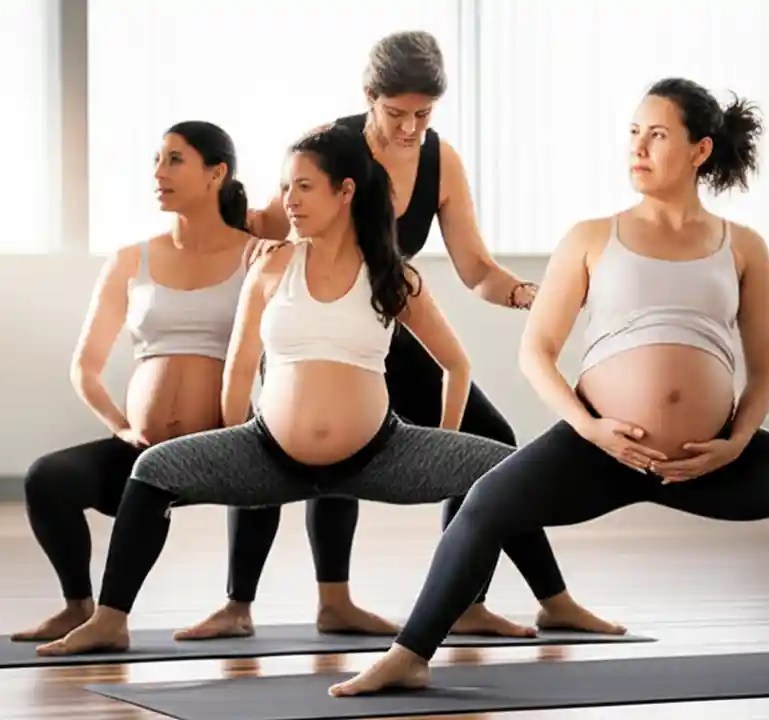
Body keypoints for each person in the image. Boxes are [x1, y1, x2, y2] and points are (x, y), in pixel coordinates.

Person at [329, 78, 769, 697]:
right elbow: (536, 353)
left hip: (708, 459)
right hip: (598, 451)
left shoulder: (744, 247)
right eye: (632, 133)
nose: (638, 148)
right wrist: (592, 428)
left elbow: (766, 367)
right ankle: (410, 653)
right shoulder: (592, 236)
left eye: (657, 135)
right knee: (484, 503)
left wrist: (737, 441)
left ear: (700, 150)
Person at [34, 122, 607, 657]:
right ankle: (108, 619)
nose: (289, 201)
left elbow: (455, 365)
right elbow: (238, 372)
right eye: (286, 188)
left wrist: (441, 439)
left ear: (345, 192)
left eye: (304, 187)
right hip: (271, 454)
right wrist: (235, 442)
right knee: (152, 470)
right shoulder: (270, 267)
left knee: (503, 471)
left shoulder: (392, 275)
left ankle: (510, 606)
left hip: (380, 455)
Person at [179, 29, 616, 642]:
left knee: (491, 439)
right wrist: (216, 207)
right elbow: (274, 223)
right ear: (369, 96)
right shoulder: (331, 148)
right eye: (397, 114)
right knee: (284, 443)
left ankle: (497, 597)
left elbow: (477, 270)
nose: (411, 128)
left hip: (378, 325)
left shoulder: (440, 160)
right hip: (311, 326)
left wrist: (528, 295)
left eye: (424, 114)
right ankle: (245, 604)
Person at [11, 121, 260, 642]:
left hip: (221, 444)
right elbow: (86, 365)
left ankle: (238, 608)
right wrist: (120, 426)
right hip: (143, 448)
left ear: (217, 173)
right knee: (46, 478)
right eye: (156, 159)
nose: (158, 173)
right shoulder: (131, 259)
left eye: (174, 160)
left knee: (269, 463)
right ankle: (80, 607)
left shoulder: (256, 255)